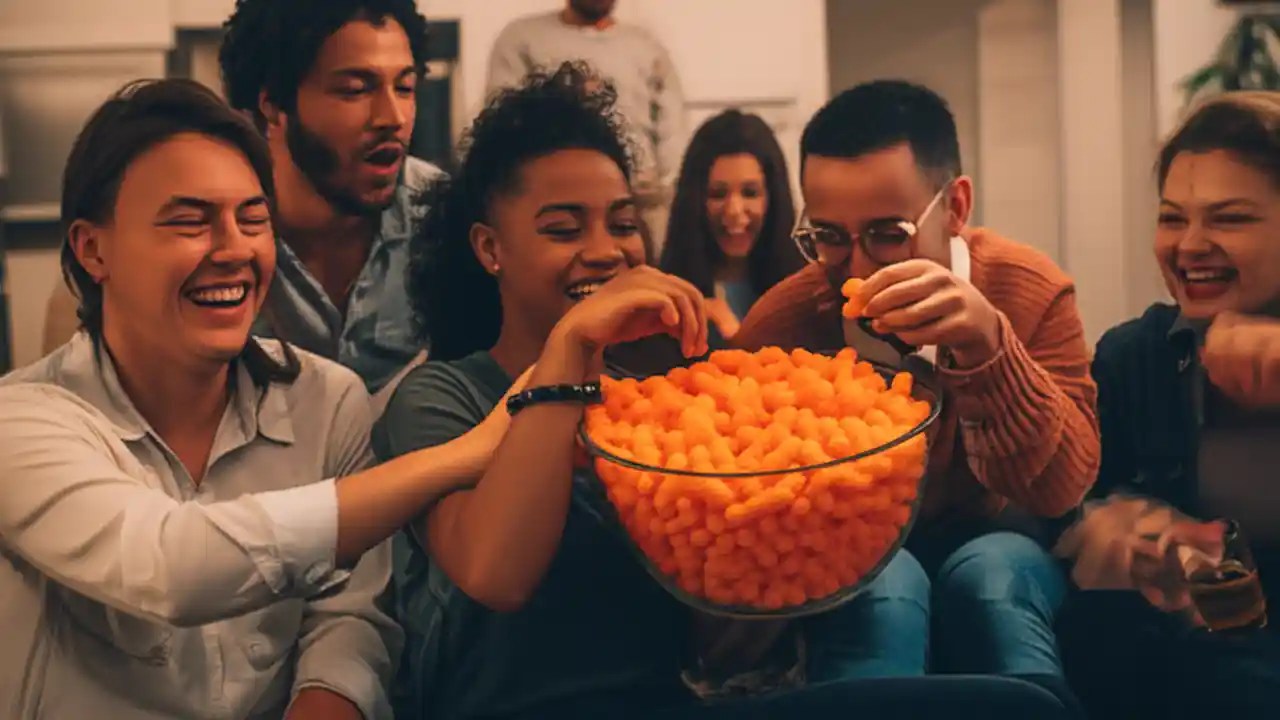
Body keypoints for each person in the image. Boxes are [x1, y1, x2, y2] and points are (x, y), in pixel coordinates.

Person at [0, 78, 662, 720]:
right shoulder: (25, 418)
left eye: (253, 218)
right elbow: (167, 564)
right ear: (93, 249)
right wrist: (470, 453)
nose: (233, 249)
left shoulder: (325, 398)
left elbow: (350, 614)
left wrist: (328, 698)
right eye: (190, 221)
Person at [377, 62, 983, 720]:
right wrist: (569, 348)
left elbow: (713, 647)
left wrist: (784, 541)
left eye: (623, 222)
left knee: (1017, 706)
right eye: (563, 228)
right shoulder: (441, 399)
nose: (606, 250)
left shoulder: (658, 406)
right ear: (490, 248)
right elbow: (495, 574)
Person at [731, 80, 1100, 695]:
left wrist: (989, 350)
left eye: (886, 234)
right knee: (884, 584)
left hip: (1005, 537)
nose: (856, 267)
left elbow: (1064, 489)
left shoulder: (1028, 289)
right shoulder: (784, 322)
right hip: (852, 555)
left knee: (990, 577)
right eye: (827, 236)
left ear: (955, 207)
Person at [1057, 91, 1280, 720]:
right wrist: (1129, 530)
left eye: (1230, 218)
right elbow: (1077, 506)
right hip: (1187, 660)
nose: (1190, 245)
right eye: (1173, 218)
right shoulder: (1134, 356)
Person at [219, 0, 443, 395]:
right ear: (272, 103)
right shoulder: (222, 237)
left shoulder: (444, 217)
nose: (393, 116)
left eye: (405, 87)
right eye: (355, 90)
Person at [486, 0, 685, 255]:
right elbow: (503, 128)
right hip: (555, 205)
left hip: (643, 205)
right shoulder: (522, 40)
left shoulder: (646, 48)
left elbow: (673, 140)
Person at [660, 110, 804, 345]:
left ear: (774, 198)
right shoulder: (666, 298)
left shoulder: (804, 294)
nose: (734, 210)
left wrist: (736, 334)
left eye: (750, 193)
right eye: (718, 194)